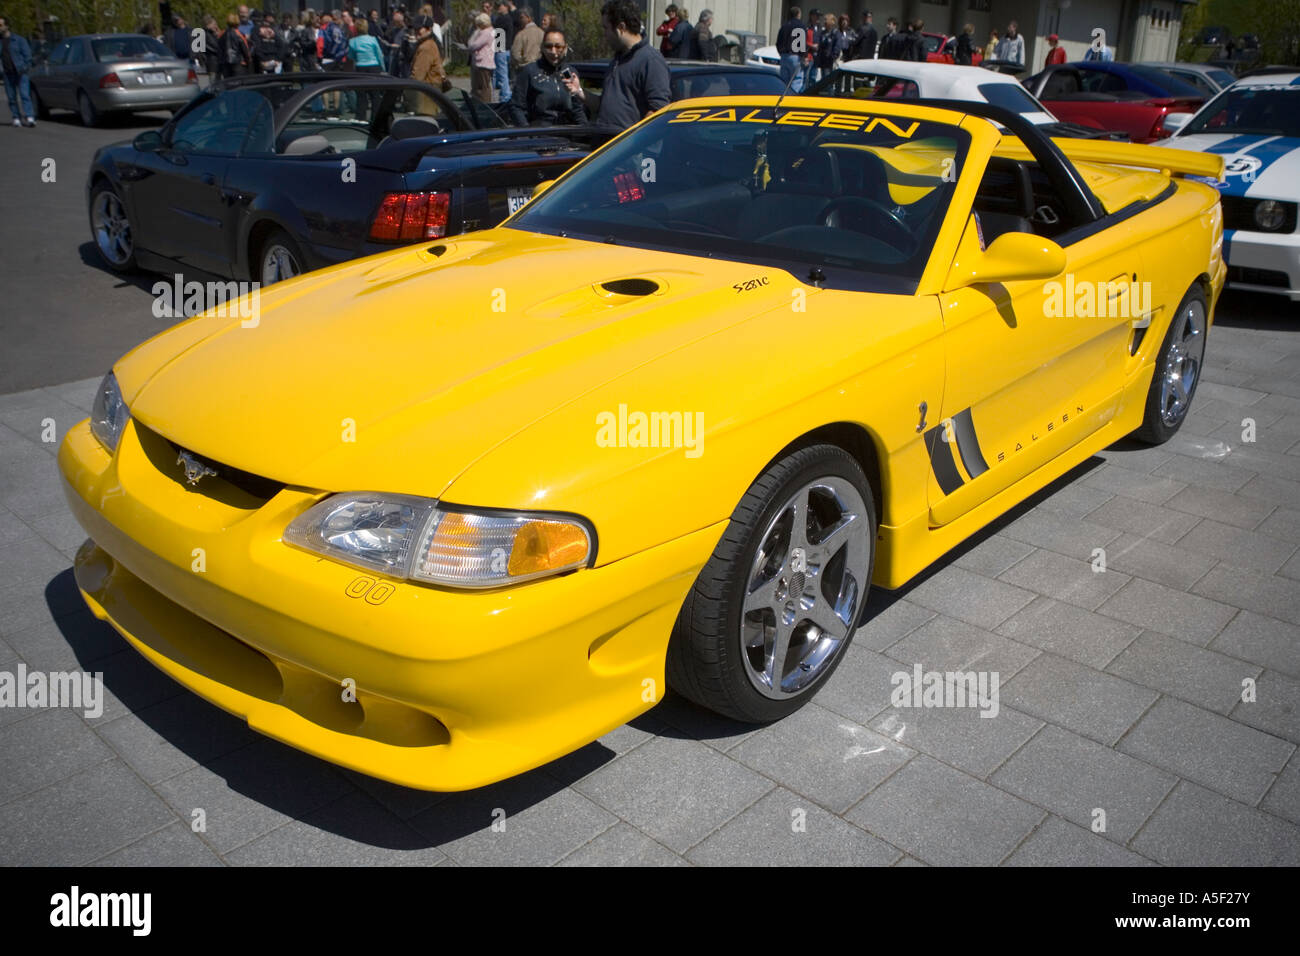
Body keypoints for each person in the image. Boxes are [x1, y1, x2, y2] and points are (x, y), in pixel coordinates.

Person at [564, 1, 670, 130]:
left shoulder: (651, 60)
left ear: (621, 27)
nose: (604, 34)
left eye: (606, 28)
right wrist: (579, 91)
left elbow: (658, 111)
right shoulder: (617, 60)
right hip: (607, 143)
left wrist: (633, 141)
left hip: (630, 147)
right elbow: (602, 106)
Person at [509, 27, 585, 126]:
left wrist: (586, 133)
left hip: (567, 134)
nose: (553, 51)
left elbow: (577, 109)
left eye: (558, 47)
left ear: (565, 47)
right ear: (542, 48)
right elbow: (516, 107)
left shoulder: (570, 73)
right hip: (540, 136)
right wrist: (527, 133)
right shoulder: (530, 72)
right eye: (549, 46)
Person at [0, 15, 34, 127]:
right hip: (7, 73)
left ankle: (29, 117)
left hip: (21, 72)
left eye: (0, 25)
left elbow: (28, 55)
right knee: (11, 97)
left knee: (25, 95)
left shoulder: (19, 40)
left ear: (7, 26)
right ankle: (16, 117)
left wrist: (24, 67)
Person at [409, 15, 449, 89]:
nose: (416, 31)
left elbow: (418, 77)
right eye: (415, 29)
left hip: (426, 94)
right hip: (432, 91)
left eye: (419, 28)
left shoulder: (426, 47)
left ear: (429, 29)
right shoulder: (430, 43)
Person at [468, 12, 496, 102]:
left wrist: (474, 35)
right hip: (488, 62)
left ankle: (485, 103)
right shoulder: (492, 30)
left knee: (482, 87)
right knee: (486, 85)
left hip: (482, 62)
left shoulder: (485, 33)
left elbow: (474, 45)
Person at [775, 5, 805, 90]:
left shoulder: (784, 26)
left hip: (784, 56)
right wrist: (803, 55)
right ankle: (792, 98)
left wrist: (781, 53)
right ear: (798, 14)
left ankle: (784, 97)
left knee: (784, 81)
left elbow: (778, 43)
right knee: (796, 79)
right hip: (796, 56)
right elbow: (802, 44)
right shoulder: (801, 26)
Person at [492, 2, 514, 102]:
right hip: (505, 48)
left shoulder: (503, 19)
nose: (498, 8)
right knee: (503, 73)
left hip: (502, 49)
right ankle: (503, 93)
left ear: (505, 7)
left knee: (503, 74)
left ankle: (506, 95)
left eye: (500, 5)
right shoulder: (508, 18)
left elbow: (493, 28)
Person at [219, 13, 252, 77]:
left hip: (225, 64)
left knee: (228, 84)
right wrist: (249, 62)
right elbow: (245, 50)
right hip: (238, 64)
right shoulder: (239, 34)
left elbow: (219, 50)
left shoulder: (222, 34)